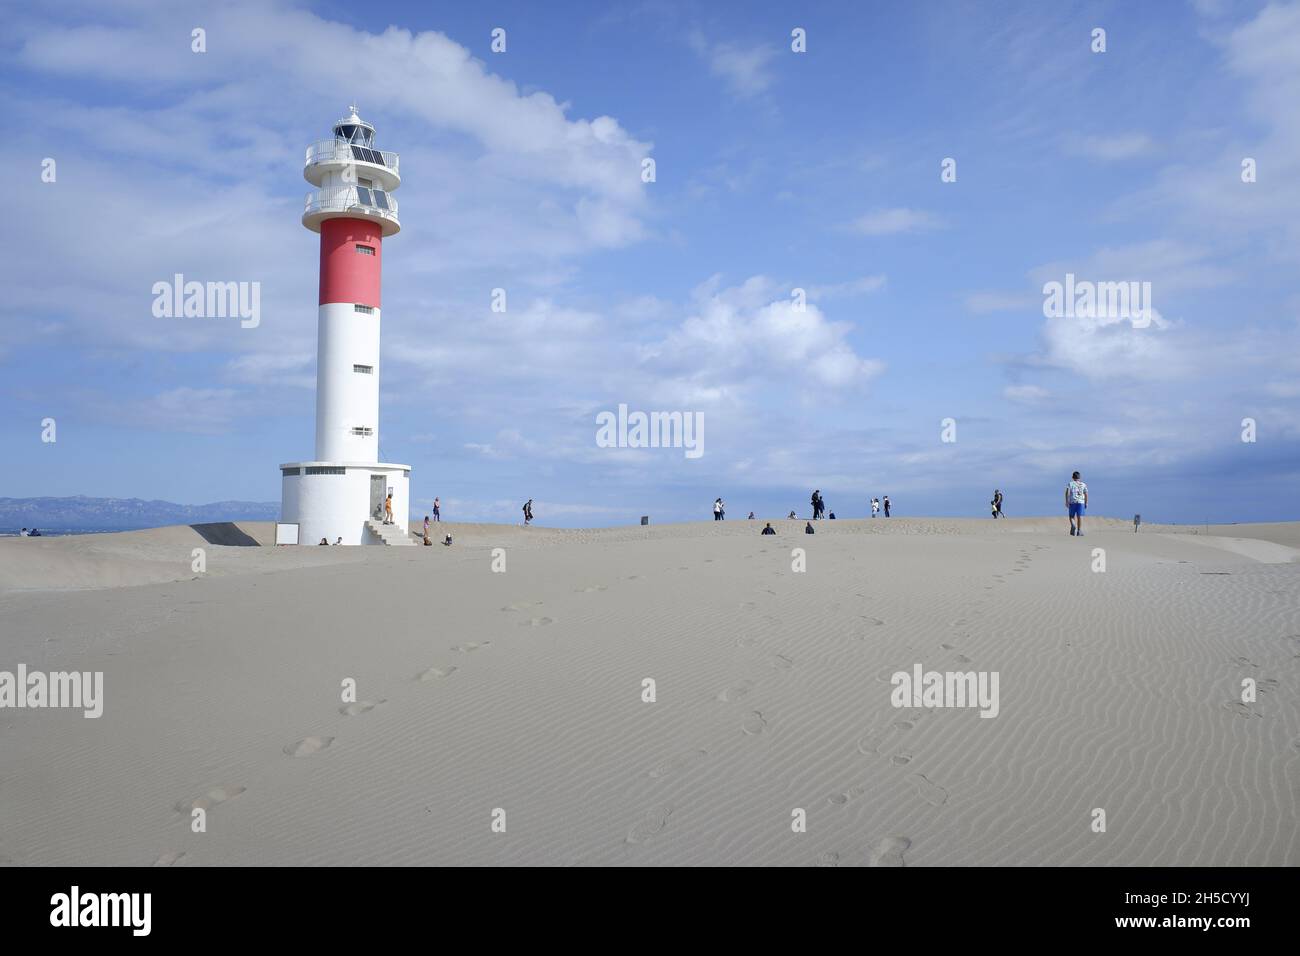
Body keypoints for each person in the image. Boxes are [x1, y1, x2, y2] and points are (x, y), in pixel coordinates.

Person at [1066, 471, 1088, 536]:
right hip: (1081, 502)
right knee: (1079, 517)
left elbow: (1067, 492)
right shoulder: (1083, 484)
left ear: (1072, 477)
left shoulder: (1070, 484)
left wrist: (1067, 501)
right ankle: (1079, 531)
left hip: (1072, 502)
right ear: (1079, 477)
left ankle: (1073, 525)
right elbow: (1086, 494)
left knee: (1071, 516)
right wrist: (1086, 503)